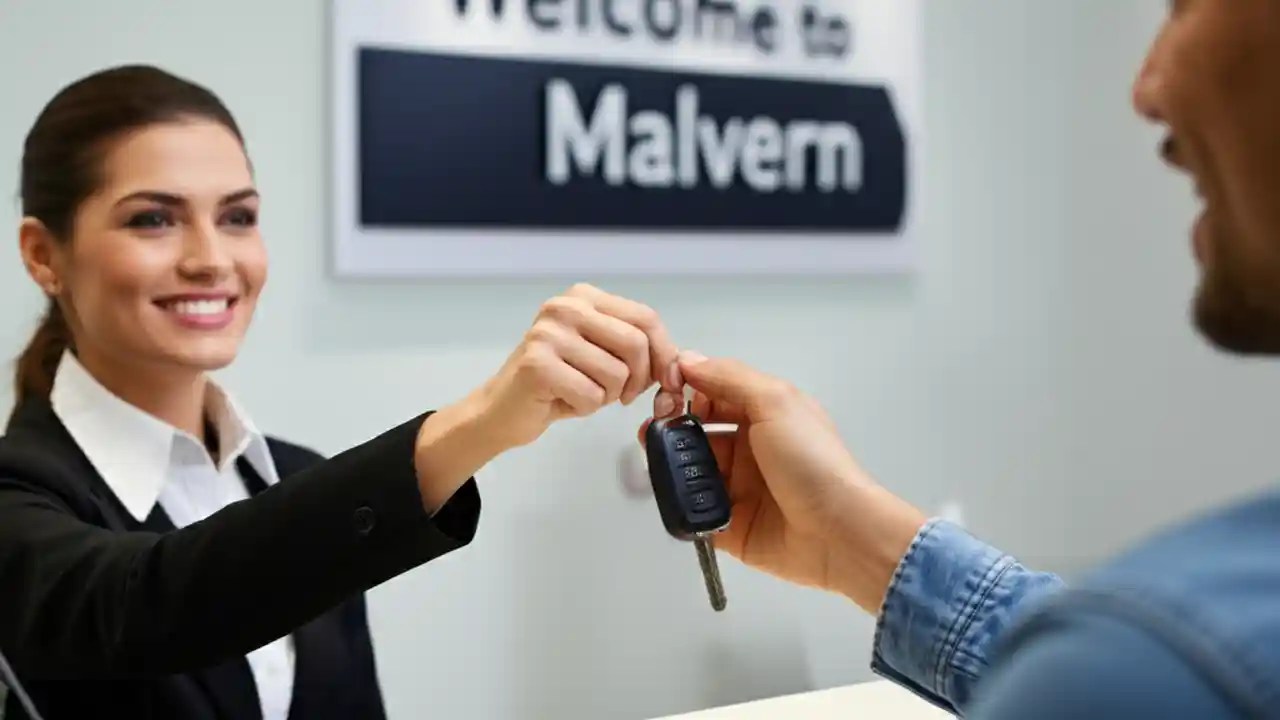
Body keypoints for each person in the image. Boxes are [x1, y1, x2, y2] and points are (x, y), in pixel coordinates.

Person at [641, 2, 1280, 717]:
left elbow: (1108, 683)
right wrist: (852, 539)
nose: (1145, 85)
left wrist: (1097, 661)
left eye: (1189, 4)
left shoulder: (1152, 671)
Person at [0, 65, 686, 720]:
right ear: (42, 255)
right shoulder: (19, 497)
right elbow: (151, 602)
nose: (211, 258)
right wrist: (483, 421)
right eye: (153, 219)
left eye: (237, 217)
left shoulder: (297, 478)